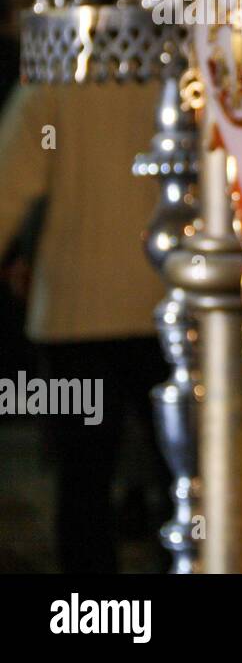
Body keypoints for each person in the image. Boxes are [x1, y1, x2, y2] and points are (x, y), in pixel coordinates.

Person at [0, 67, 169, 573]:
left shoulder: (52, 81)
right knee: (180, 473)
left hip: (75, 310)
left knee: (82, 478)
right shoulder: (173, 74)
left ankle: (88, 610)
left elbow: (9, 187)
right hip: (164, 304)